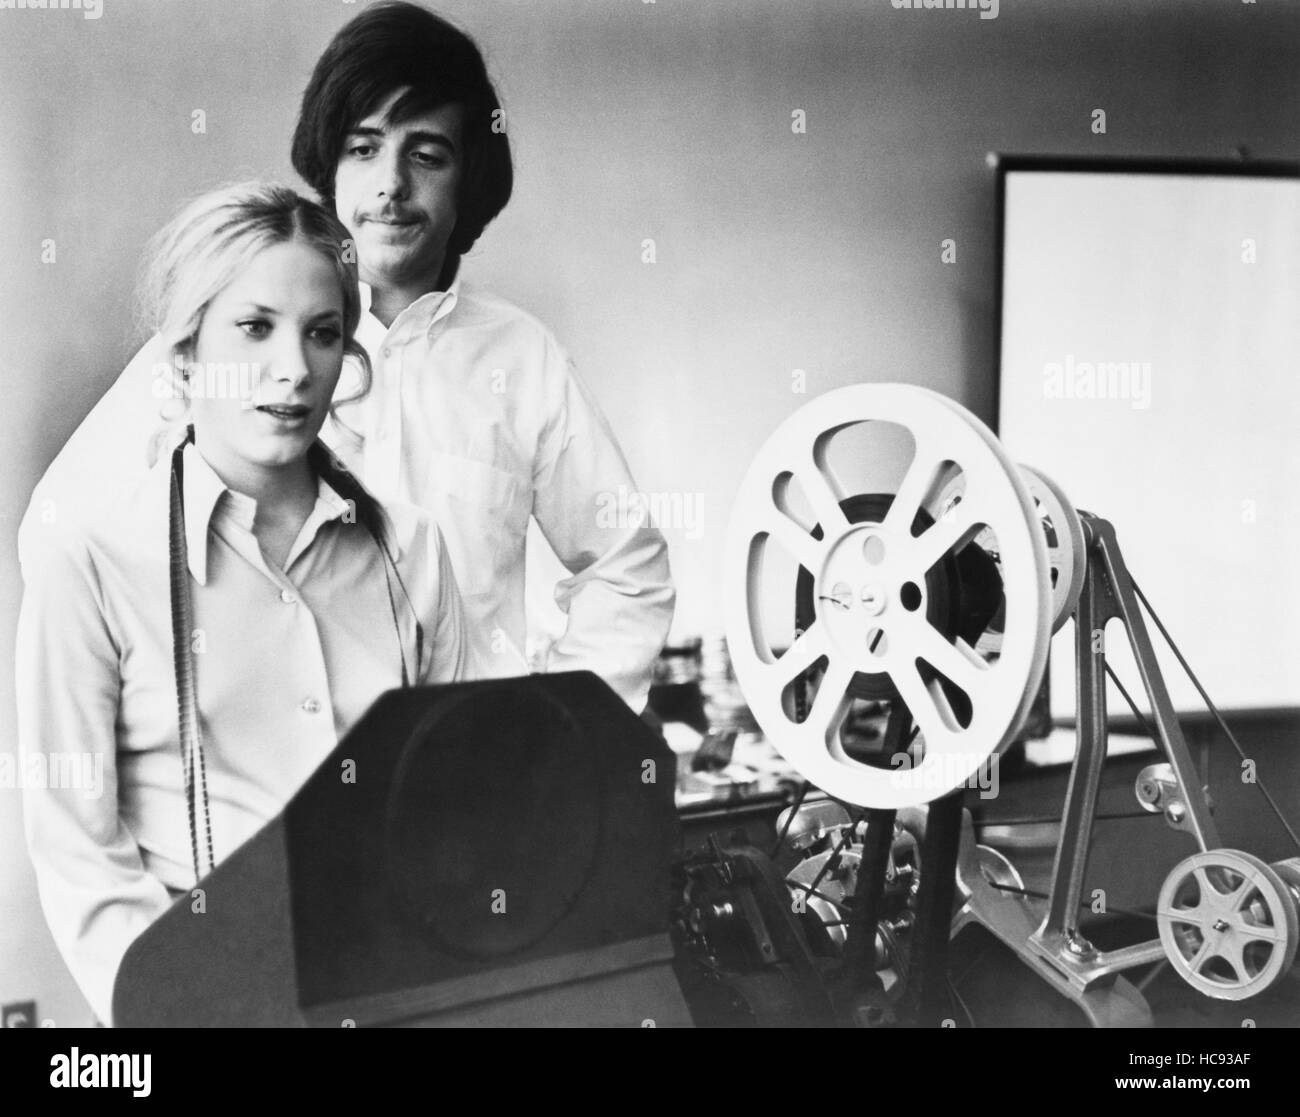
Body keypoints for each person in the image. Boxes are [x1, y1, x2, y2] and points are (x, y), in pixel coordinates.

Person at [24, 1, 675, 712]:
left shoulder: (523, 361)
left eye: (426, 154)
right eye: (364, 148)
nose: (391, 184)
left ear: (470, 181)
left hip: (462, 788)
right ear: (329, 166)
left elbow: (627, 571)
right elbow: (58, 529)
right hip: (273, 792)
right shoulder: (224, 330)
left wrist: (545, 736)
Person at [16, 182, 469, 1026]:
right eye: (254, 328)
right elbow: (84, 861)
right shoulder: (90, 564)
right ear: (185, 356)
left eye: (323, 333)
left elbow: (454, 798)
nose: (294, 369)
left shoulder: (413, 552)